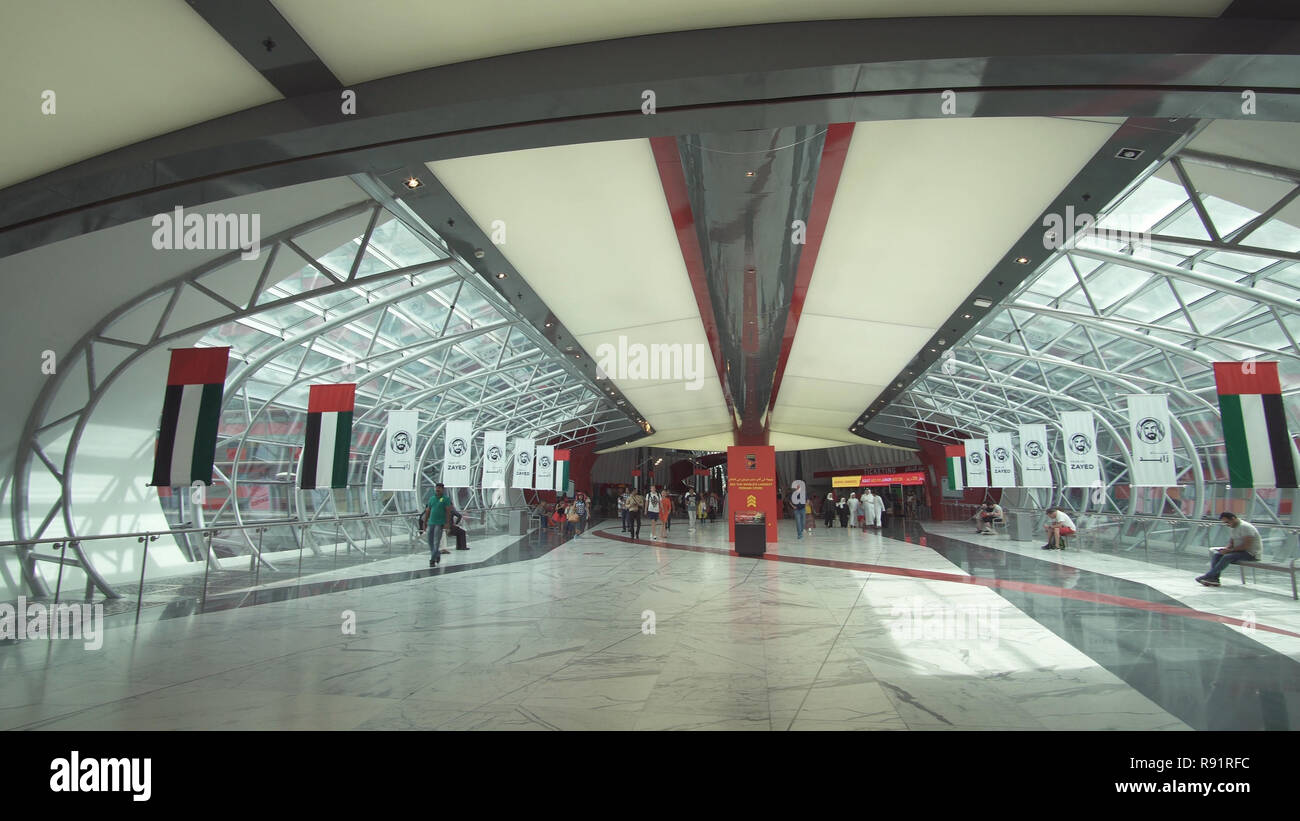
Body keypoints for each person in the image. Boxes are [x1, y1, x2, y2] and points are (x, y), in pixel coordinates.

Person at [1196, 512, 1261, 587]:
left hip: (1250, 554)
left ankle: (1208, 575)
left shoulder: (1246, 527)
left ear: (1233, 519)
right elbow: (1232, 542)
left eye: (1227, 522)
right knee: (1217, 555)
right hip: (1239, 552)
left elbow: (1246, 546)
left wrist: (1229, 551)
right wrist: (1226, 549)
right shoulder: (1234, 527)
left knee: (1227, 557)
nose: (1227, 524)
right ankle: (1214, 579)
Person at [419, 482, 455, 567]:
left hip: (440, 523)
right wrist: (425, 523)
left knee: (436, 541)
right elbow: (428, 511)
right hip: (431, 522)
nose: (437, 490)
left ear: (442, 489)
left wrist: (447, 523)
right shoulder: (432, 499)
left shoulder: (446, 499)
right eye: (436, 488)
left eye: (439, 488)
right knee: (430, 541)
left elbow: (448, 512)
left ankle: (432, 559)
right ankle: (437, 554)